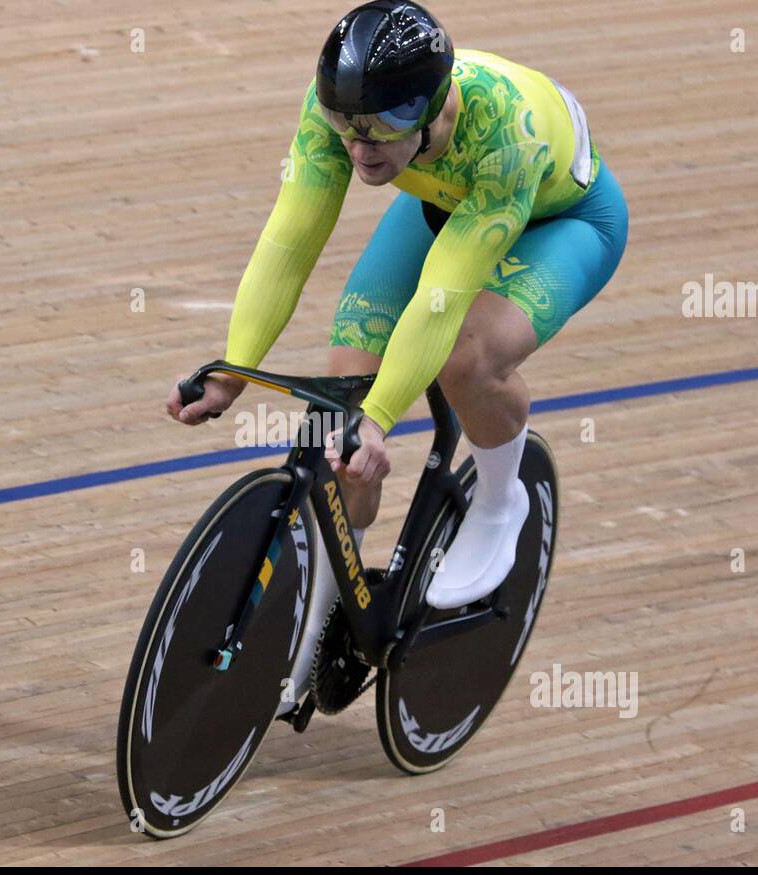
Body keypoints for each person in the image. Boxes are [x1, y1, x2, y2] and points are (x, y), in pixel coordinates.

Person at [166, 1, 627, 709]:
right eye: (348, 127)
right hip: (441, 201)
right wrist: (234, 369)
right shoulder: (344, 114)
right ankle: (320, 613)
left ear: (433, 104)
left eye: (381, 128)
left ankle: (501, 503)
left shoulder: (507, 131)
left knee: (466, 359)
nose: (360, 147)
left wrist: (384, 416)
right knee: (339, 402)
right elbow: (289, 244)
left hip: (562, 222)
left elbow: (442, 296)